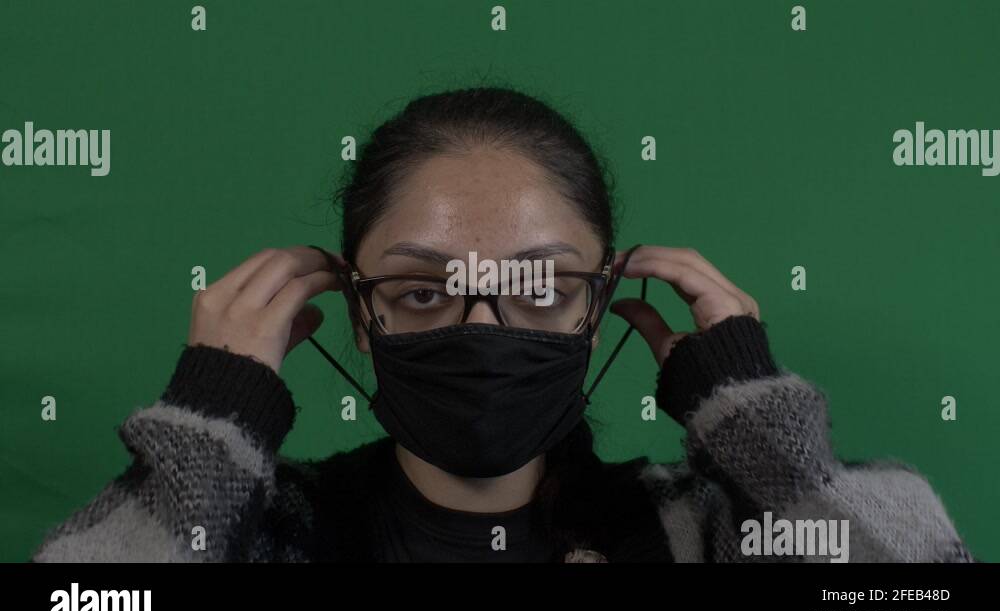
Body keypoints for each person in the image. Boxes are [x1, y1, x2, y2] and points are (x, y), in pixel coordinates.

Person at [33, 86, 973, 563]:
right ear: (360, 318)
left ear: (598, 306)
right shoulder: (258, 532)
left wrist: (767, 434)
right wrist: (210, 426)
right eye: (423, 291)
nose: (482, 326)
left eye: (539, 287)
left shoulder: (699, 531)